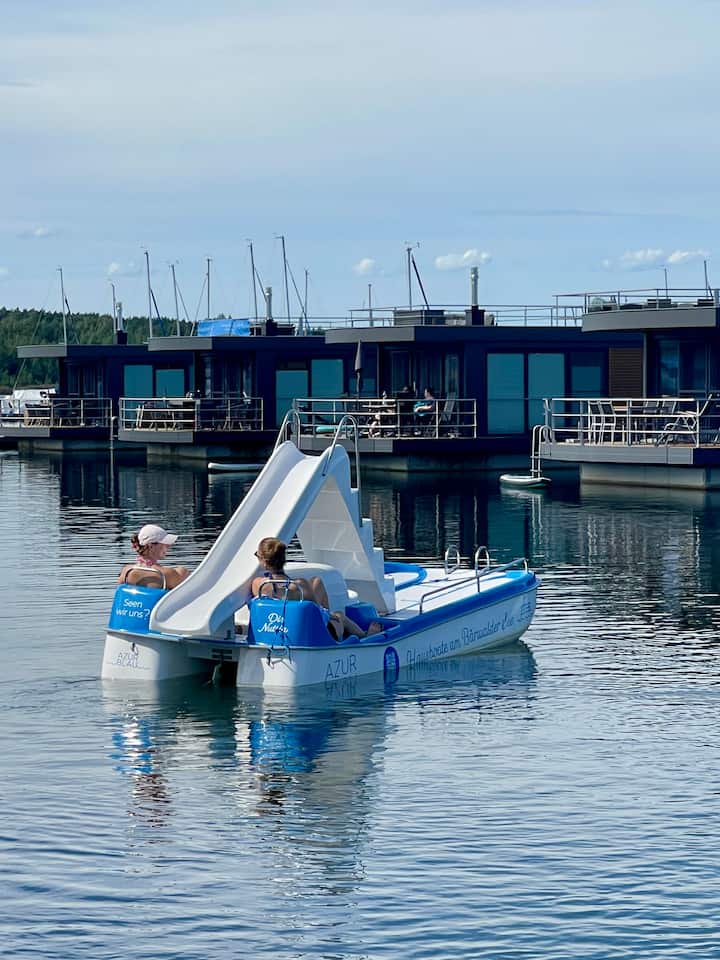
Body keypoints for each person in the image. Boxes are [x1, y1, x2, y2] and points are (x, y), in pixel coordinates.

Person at [250, 537, 383, 641]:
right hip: (313, 633)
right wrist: (330, 615)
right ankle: (364, 636)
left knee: (316, 582)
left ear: (264, 561)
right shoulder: (299, 586)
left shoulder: (259, 585)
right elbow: (317, 612)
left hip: (278, 629)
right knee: (339, 615)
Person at [118, 523, 190, 591]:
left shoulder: (126, 572)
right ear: (151, 546)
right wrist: (182, 571)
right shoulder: (167, 574)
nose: (168, 546)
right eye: (164, 543)